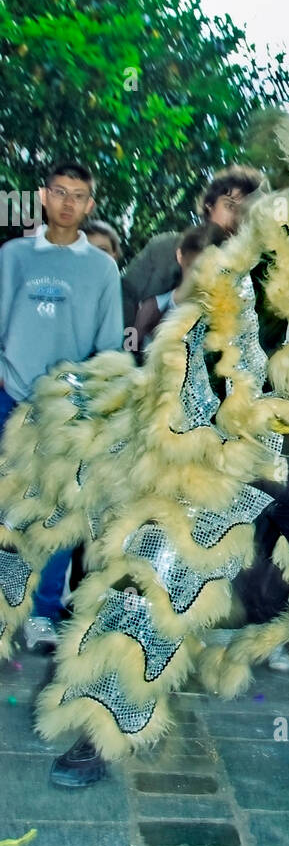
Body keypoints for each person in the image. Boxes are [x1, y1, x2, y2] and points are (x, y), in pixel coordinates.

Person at [0, 162, 122, 649]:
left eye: (79, 196)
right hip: (10, 397)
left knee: (59, 511)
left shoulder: (102, 268)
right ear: (43, 198)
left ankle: (43, 613)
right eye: (59, 192)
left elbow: (111, 346)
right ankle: (7, 610)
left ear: (90, 206)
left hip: (69, 406)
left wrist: (90, 397)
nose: (68, 203)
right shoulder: (12, 256)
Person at [121, 164, 263, 327]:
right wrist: (129, 348)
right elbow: (125, 295)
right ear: (210, 206)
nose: (235, 218)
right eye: (229, 206)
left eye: (244, 212)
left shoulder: (250, 274)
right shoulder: (165, 247)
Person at [133, 223, 227, 352]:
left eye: (211, 270)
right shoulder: (152, 307)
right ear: (180, 256)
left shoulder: (222, 318)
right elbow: (128, 348)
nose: (198, 279)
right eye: (194, 269)